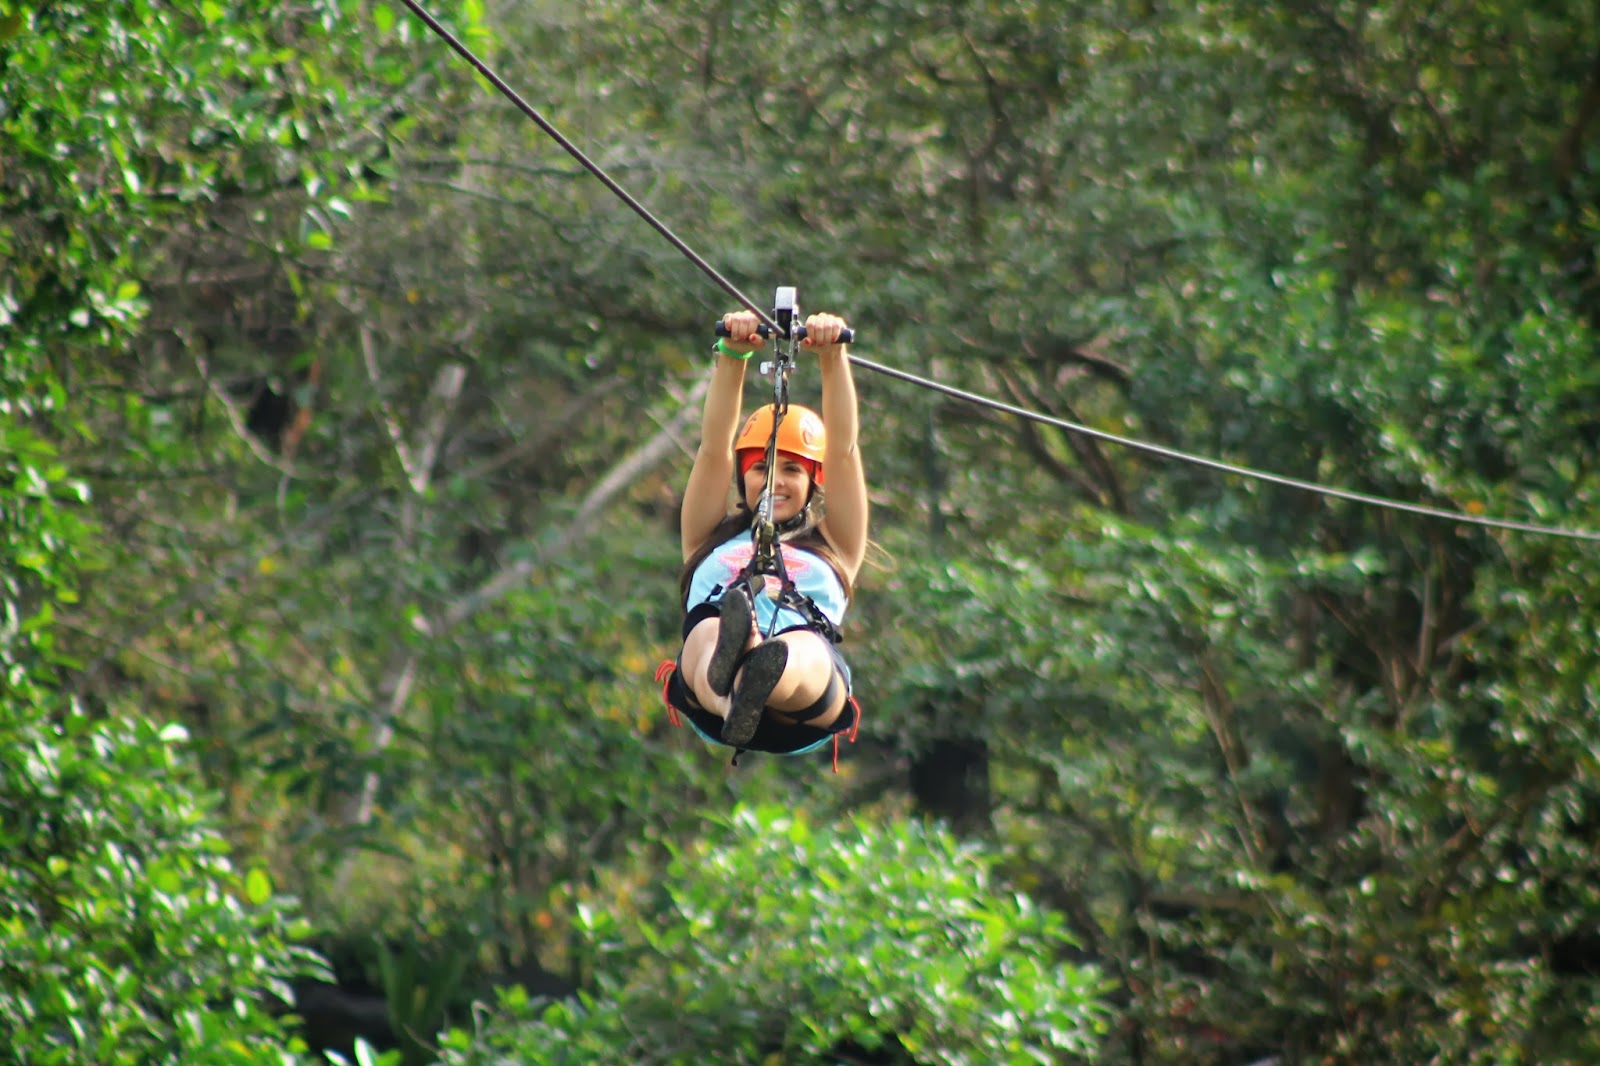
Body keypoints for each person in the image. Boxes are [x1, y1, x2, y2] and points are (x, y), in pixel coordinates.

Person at [655, 308, 868, 767]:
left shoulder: (835, 546)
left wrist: (833, 360)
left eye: (793, 469)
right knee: (709, 628)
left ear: (813, 481)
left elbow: (844, 452)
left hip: (803, 696)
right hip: (711, 696)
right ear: (742, 477)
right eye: (760, 468)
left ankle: (756, 667)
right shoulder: (708, 538)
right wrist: (732, 356)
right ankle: (735, 690)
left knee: (798, 647)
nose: (777, 480)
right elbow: (712, 451)